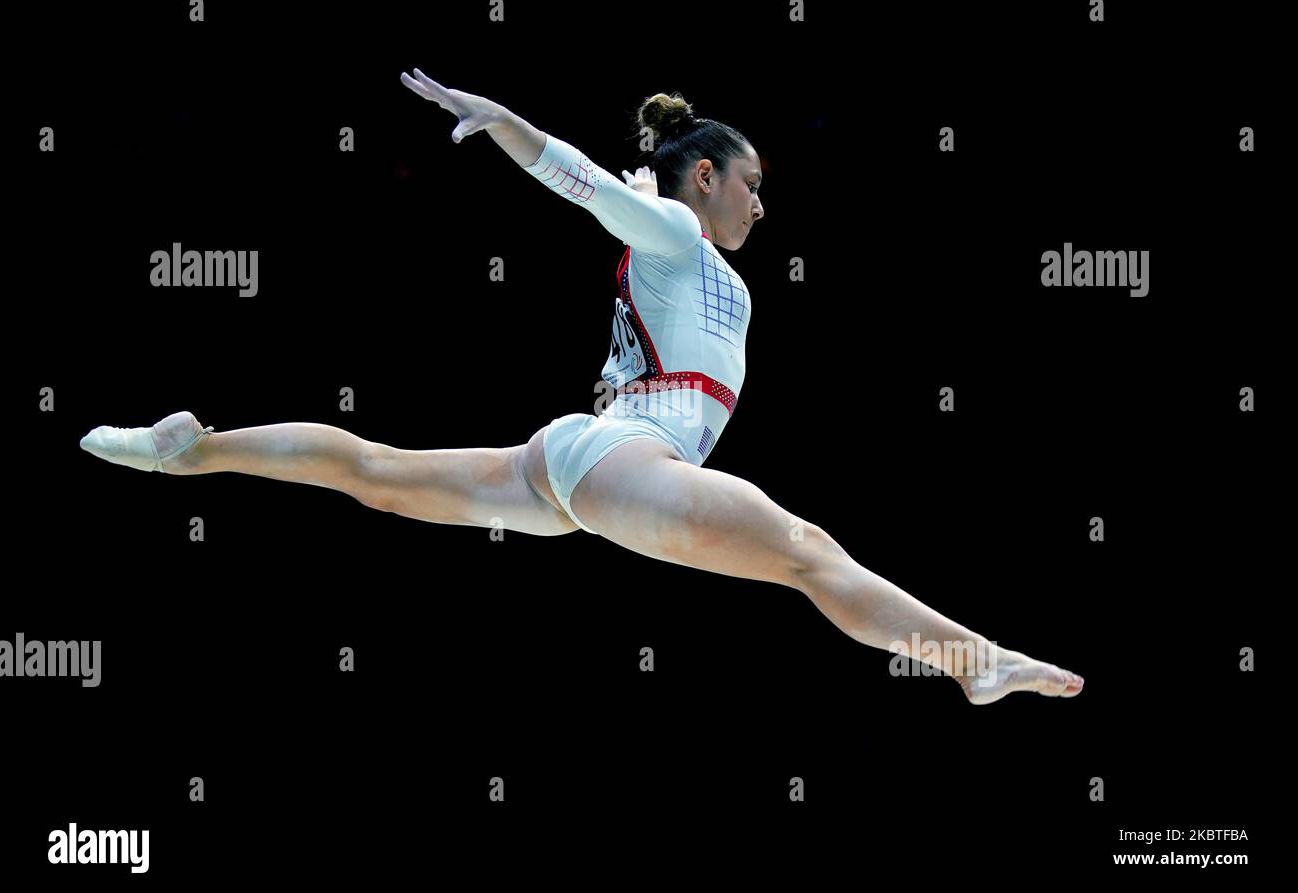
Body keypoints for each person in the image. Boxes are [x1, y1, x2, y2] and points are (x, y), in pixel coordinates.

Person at [79, 70, 1083, 706]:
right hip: (619, 455)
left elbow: (624, 206)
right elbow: (596, 193)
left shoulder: (683, 251)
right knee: (805, 554)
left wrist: (628, 193)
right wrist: (510, 125)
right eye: (751, 182)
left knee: (377, 471)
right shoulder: (682, 235)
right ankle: (970, 659)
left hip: (577, 462)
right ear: (702, 180)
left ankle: (194, 447)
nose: (760, 202)